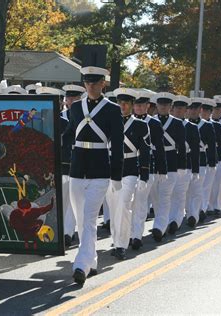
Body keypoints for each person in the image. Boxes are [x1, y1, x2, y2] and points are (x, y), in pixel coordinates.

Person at [62, 66, 124, 286]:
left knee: (89, 218)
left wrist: (117, 176)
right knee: (81, 220)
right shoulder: (76, 107)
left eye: (95, 82)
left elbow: (117, 145)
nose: (90, 86)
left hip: (100, 170)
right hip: (77, 168)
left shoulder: (112, 110)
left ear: (103, 84)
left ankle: (81, 265)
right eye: (87, 82)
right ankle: (93, 260)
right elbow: (69, 134)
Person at [106, 88, 150, 260]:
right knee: (113, 206)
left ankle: (121, 245)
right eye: (120, 103)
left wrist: (144, 175)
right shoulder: (109, 122)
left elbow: (145, 151)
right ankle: (116, 239)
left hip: (130, 169)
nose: (122, 106)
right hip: (110, 170)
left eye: (125, 103)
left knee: (124, 205)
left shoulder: (140, 125)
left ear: (131, 105)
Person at [130, 90, 167, 249]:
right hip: (129, 168)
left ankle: (137, 235)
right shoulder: (127, 121)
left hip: (148, 167)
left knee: (141, 203)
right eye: (136, 105)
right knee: (130, 204)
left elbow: (159, 148)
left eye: (141, 105)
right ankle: (131, 234)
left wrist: (162, 170)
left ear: (147, 106)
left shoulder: (154, 123)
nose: (138, 107)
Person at [150, 92, 186, 242]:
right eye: (161, 104)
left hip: (171, 162)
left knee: (165, 196)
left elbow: (182, 147)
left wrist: (182, 166)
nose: (163, 107)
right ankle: (162, 223)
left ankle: (159, 226)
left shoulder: (177, 123)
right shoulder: (150, 122)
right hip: (154, 162)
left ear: (170, 106)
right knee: (155, 197)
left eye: (166, 105)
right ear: (157, 106)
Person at [169, 96, 200, 231]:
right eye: (176, 108)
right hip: (169, 164)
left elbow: (195, 151)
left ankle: (175, 220)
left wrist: (195, 170)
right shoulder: (166, 124)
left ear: (186, 110)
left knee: (180, 194)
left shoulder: (191, 127)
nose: (179, 111)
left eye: (181, 108)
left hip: (185, 164)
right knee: (167, 195)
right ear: (173, 109)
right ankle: (169, 220)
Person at [60, 84, 85, 247]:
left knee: (74, 200)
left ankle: (68, 232)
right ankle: (61, 231)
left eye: (74, 98)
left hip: (78, 161)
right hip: (62, 162)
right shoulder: (60, 117)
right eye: (69, 98)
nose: (71, 101)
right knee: (62, 200)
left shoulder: (85, 116)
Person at [187, 98, 216, 223]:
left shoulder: (207, 125)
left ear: (200, 110)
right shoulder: (184, 124)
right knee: (187, 190)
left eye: (196, 109)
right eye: (191, 108)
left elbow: (211, 145)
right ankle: (190, 211)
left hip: (202, 160)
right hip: (187, 160)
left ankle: (195, 213)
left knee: (198, 188)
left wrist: (212, 162)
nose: (193, 111)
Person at [209, 97, 221, 217]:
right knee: (209, 182)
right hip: (209, 154)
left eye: (219, 108)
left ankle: (218, 206)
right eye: (215, 108)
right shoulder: (207, 122)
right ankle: (208, 206)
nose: (216, 110)